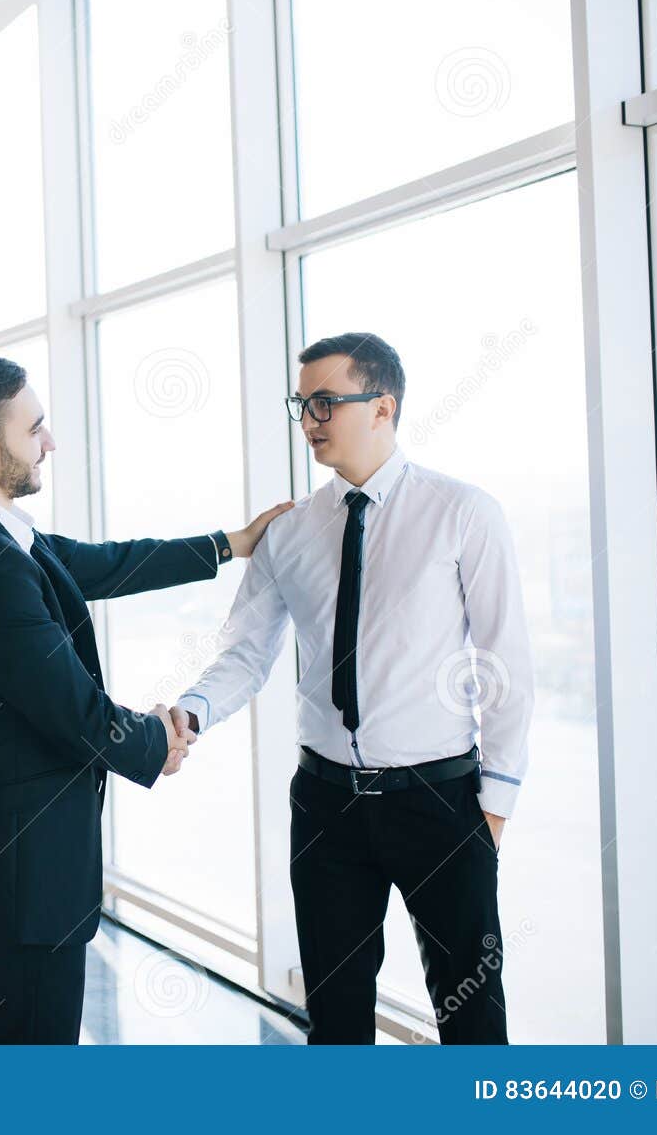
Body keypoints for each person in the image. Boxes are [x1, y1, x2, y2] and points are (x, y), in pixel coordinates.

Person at [0, 351, 291, 1044]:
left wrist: (229, 544)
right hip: (18, 870)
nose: (50, 442)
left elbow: (100, 563)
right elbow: (70, 705)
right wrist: (159, 742)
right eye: (36, 430)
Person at [172, 332, 533, 1044]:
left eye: (325, 402)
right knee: (334, 1020)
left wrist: (492, 809)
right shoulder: (290, 533)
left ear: (384, 407)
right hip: (326, 804)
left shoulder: (463, 512)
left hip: (440, 803)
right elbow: (245, 654)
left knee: (472, 1020)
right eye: (302, 404)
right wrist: (189, 712)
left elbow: (505, 665)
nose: (309, 421)